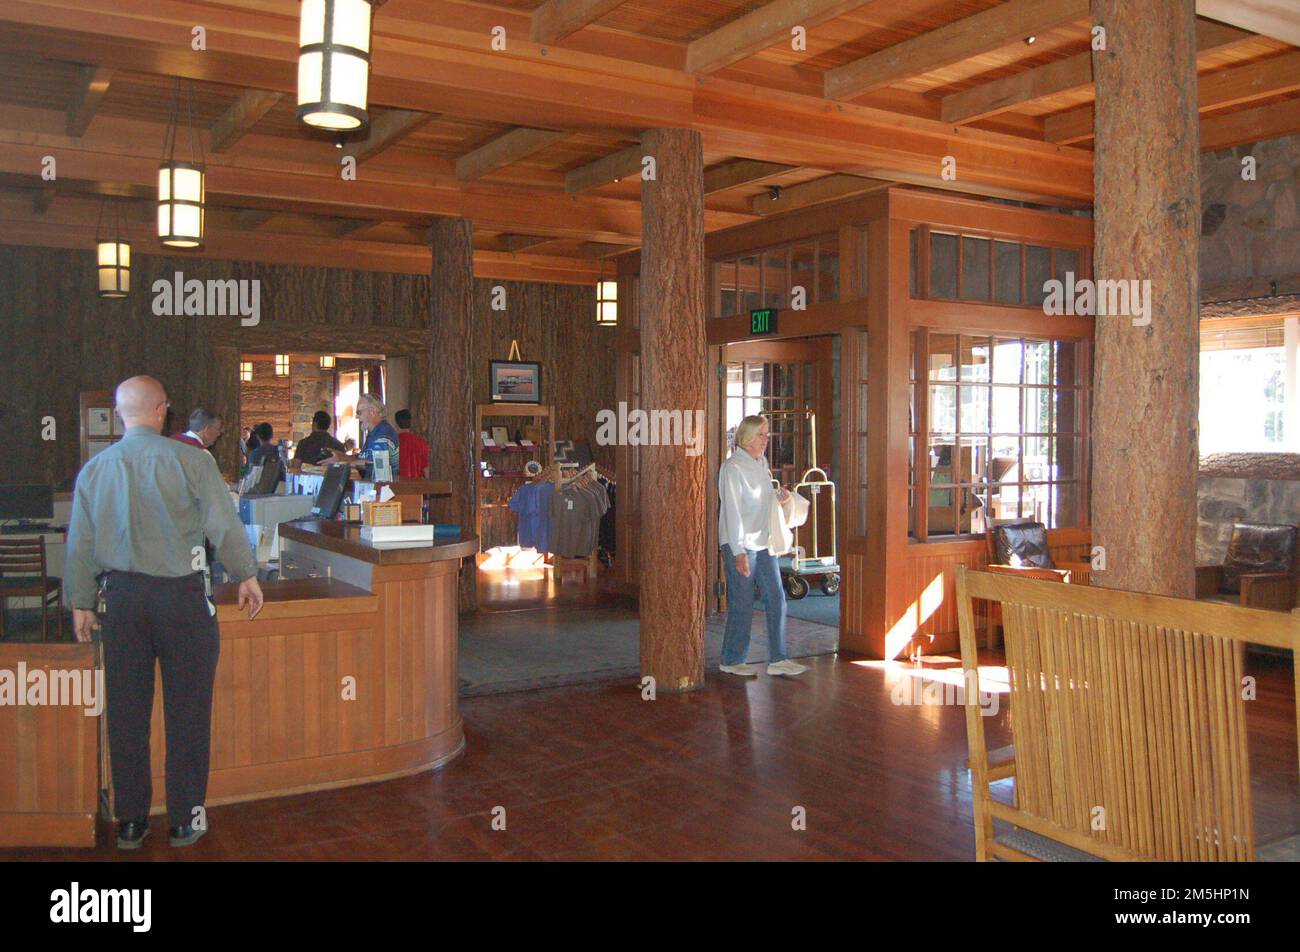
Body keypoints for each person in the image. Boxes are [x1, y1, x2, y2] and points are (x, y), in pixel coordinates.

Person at [64, 375, 264, 850]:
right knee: (188, 712)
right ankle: (184, 820)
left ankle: (131, 821)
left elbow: (81, 544)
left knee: (127, 713)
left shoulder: (95, 469)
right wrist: (246, 574)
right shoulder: (192, 460)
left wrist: (81, 602)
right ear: (162, 412)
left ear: (120, 414)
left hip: (122, 601)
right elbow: (224, 523)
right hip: (183, 602)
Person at [716, 414, 808, 678]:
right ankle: (732, 659)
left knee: (777, 598)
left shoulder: (761, 463)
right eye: (761, 435)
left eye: (767, 435)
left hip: (764, 541)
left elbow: (761, 502)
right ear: (747, 437)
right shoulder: (732, 468)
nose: (766, 440)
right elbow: (732, 511)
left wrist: (779, 499)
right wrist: (738, 552)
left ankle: (779, 658)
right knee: (742, 602)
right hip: (741, 544)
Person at [328, 393, 399, 478]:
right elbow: (361, 458)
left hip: (383, 488)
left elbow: (374, 463)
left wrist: (340, 462)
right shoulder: (373, 433)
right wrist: (340, 456)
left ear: (372, 411)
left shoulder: (383, 435)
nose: (357, 417)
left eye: (359, 412)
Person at [394, 408, 429, 479]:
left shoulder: (393, 444)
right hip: (417, 487)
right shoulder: (422, 443)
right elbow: (426, 470)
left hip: (396, 487)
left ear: (396, 424)